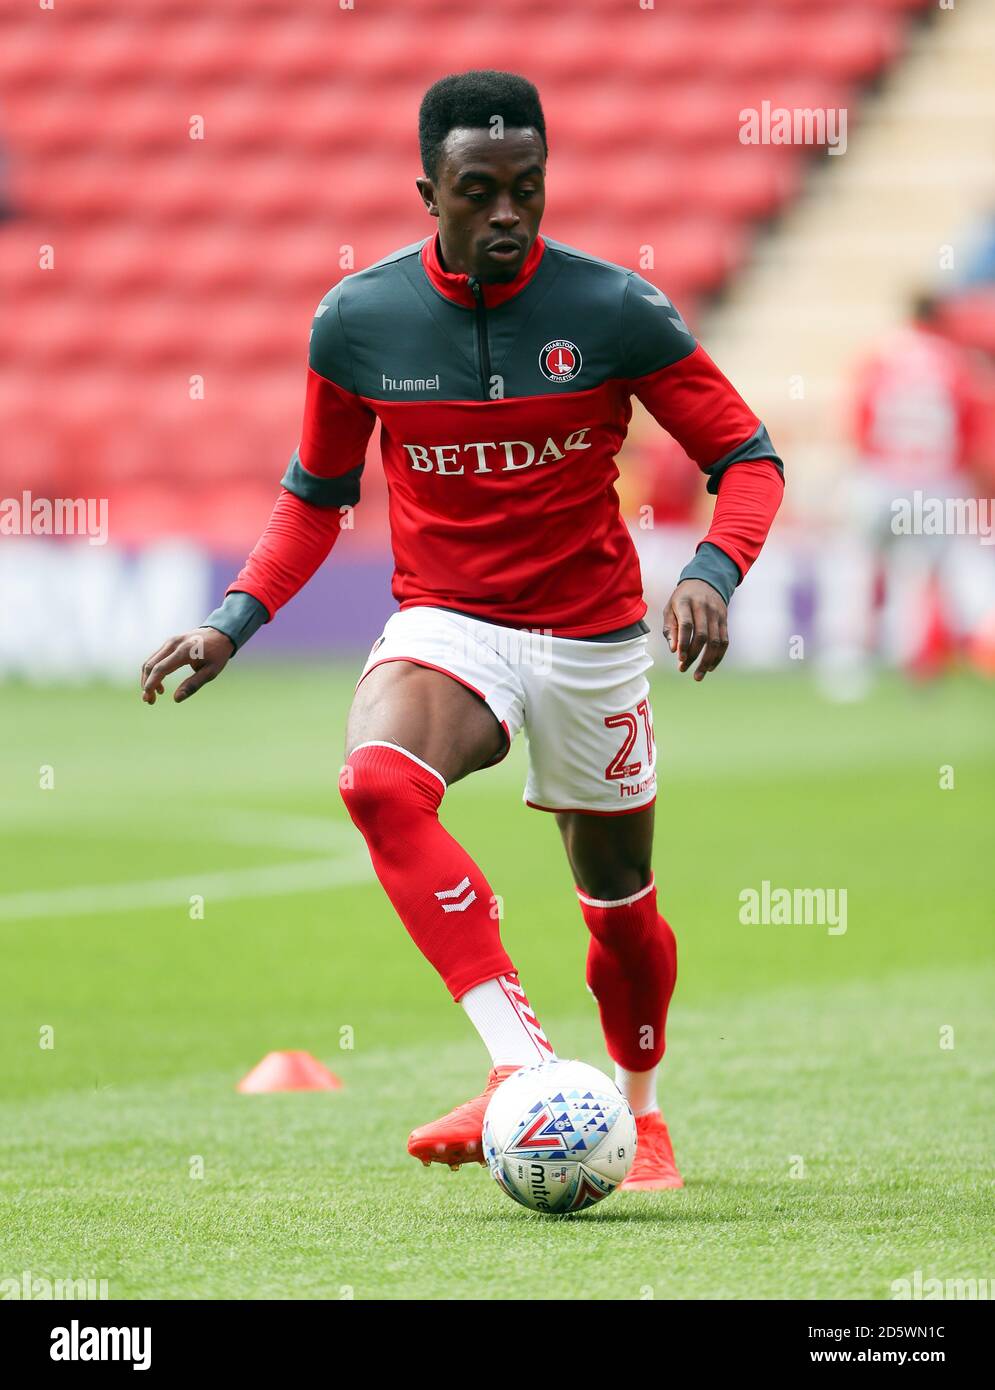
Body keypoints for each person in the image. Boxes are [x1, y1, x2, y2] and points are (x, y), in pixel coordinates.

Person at [140, 70, 784, 1191]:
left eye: (525, 191)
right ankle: (521, 1067)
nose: (505, 215)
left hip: (590, 636)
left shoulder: (613, 311)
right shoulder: (358, 322)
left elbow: (748, 458)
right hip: (450, 621)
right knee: (377, 783)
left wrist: (714, 574)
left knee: (619, 907)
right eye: (477, 192)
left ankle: (644, 1114)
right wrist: (229, 621)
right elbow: (315, 495)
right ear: (425, 192)